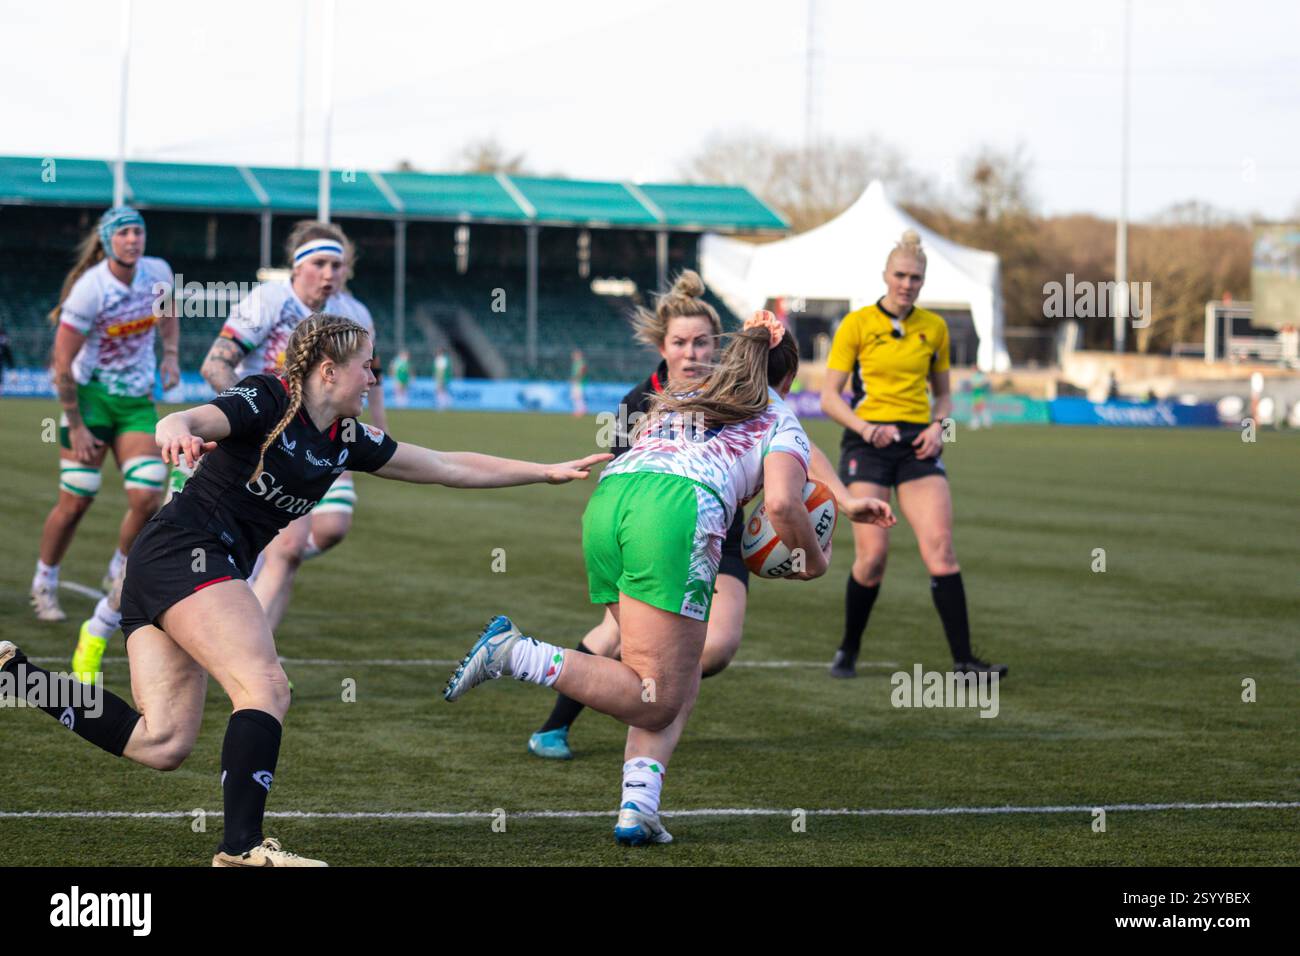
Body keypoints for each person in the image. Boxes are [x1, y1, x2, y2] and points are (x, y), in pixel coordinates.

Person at [0, 313, 608, 867]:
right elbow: (186, 418)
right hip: (186, 554)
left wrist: (541, 472)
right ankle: (240, 850)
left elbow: (446, 465)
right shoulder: (270, 398)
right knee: (264, 685)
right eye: (367, 364)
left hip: (172, 572)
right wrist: (175, 430)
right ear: (328, 369)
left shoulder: (346, 438)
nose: (374, 376)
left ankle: (17, 676)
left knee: (161, 741)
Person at [446, 311, 890, 846]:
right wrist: (814, 560)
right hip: (675, 515)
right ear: (789, 380)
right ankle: (515, 653)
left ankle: (639, 806)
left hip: (611, 504)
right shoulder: (781, 421)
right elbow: (781, 503)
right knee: (655, 696)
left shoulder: (690, 393)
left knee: (668, 674)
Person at [526, 271, 894, 760]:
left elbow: (793, 445)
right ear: (663, 345)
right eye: (681, 342)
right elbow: (626, 471)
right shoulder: (638, 402)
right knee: (619, 636)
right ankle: (572, 723)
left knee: (716, 646)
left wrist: (843, 500)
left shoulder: (734, 385)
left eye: (703, 342)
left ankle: (654, 703)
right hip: (659, 525)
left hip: (719, 525)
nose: (693, 353)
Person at [820, 229, 1006, 679]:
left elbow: (944, 397)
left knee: (941, 548)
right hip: (867, 444)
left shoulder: (934, 328)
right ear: (885, 275)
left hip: (917, 445)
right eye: (901, 275)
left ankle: (964, 662)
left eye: (916, 278)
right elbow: (828, 397)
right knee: (874, 556)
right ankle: (848, 649)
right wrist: (865, 427)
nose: (907, 283)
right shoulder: (858, 324)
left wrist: (940, 428)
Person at [194, 220, 386, 635]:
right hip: (267, 443)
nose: (330, 273)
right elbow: (216, 363)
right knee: (288, 547)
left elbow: (373, 380)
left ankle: (254, 623)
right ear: (297, 267)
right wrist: (256, 417)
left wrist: (380, 437)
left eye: (338, 264)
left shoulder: (354, 314)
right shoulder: (269, 300)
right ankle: (253, 653)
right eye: (320, 263)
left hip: (329, 438)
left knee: (331, 530)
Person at [32, 207, 177, 649]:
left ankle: (119, 567)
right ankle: (45, 580)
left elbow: (168, 316)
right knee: (77, 500)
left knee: (149, 494)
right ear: (109, 240)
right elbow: (61, 363)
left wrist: (170, 354)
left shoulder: (158, 272)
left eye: (139, 232)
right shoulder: (89, 289)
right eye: (125, 233)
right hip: (90, 398)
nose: (134, 239)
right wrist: (74, 424)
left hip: (134, 401)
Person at [570, 348, 587, 417]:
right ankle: (579, 410)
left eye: (575, 354)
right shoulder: (576, 363)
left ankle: (580, 410)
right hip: (576, 381)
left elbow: (582, 372)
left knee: (578, 396)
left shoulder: (581, 363)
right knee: (575, 397)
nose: (573, 356)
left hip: (579, 382)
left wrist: (577, 378)